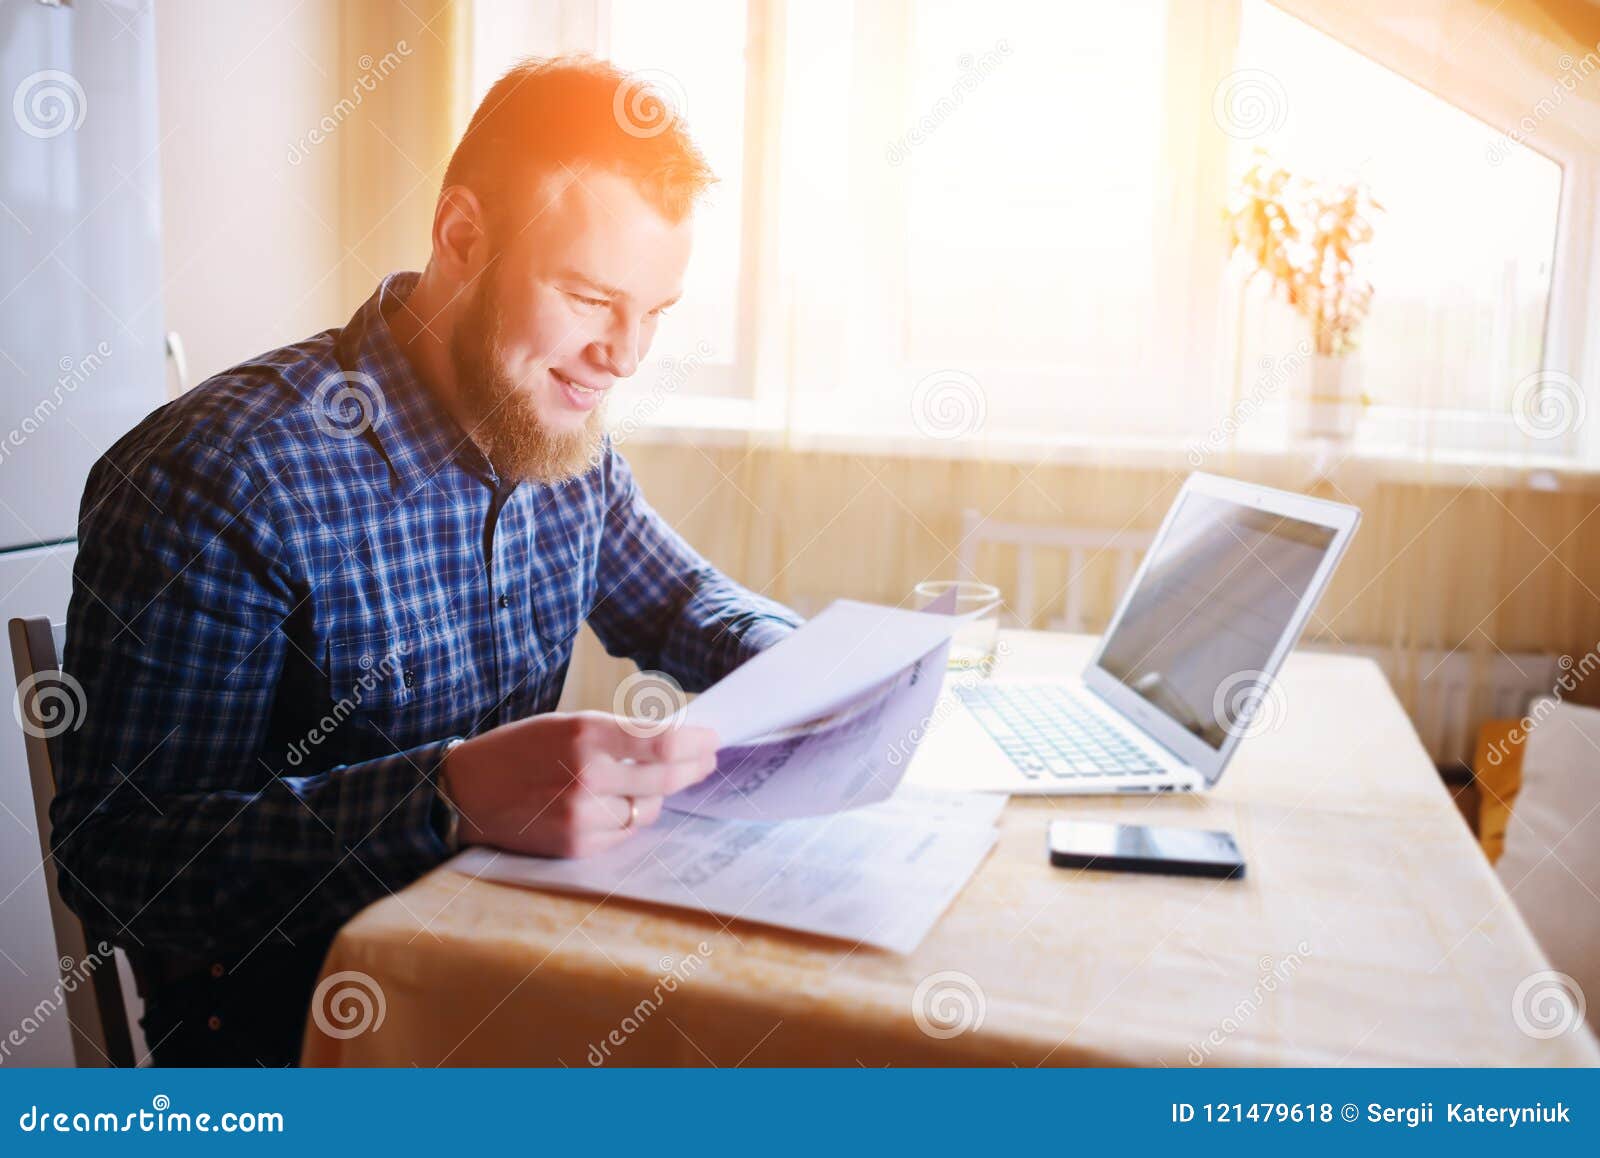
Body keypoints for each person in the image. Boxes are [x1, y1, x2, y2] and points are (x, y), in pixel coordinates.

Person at [52, 55, 800, 1067]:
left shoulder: (561, 443)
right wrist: (444, 797)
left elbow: (683, 603)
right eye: (590, 297)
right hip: (309, 1050)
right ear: (462, 236)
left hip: (520, 986)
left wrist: (803, 664)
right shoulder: (220, 475)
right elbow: (118, 865)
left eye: (654, 313)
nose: (625, 356)